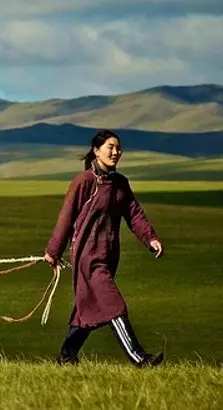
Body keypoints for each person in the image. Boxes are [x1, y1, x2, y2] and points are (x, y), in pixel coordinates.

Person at [43, 129, 165, 367]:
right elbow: (66, 218)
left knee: (85, 310)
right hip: (88, 257)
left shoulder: (120, 183)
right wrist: (53, 251)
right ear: (96, 150)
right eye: (110, 147)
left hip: (108, 256)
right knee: (113, 305)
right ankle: (140, 358)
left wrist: (150, 238)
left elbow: (134, 214)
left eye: (118, 148)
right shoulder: (85, 181)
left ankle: (67, 357)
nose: (116, 152)